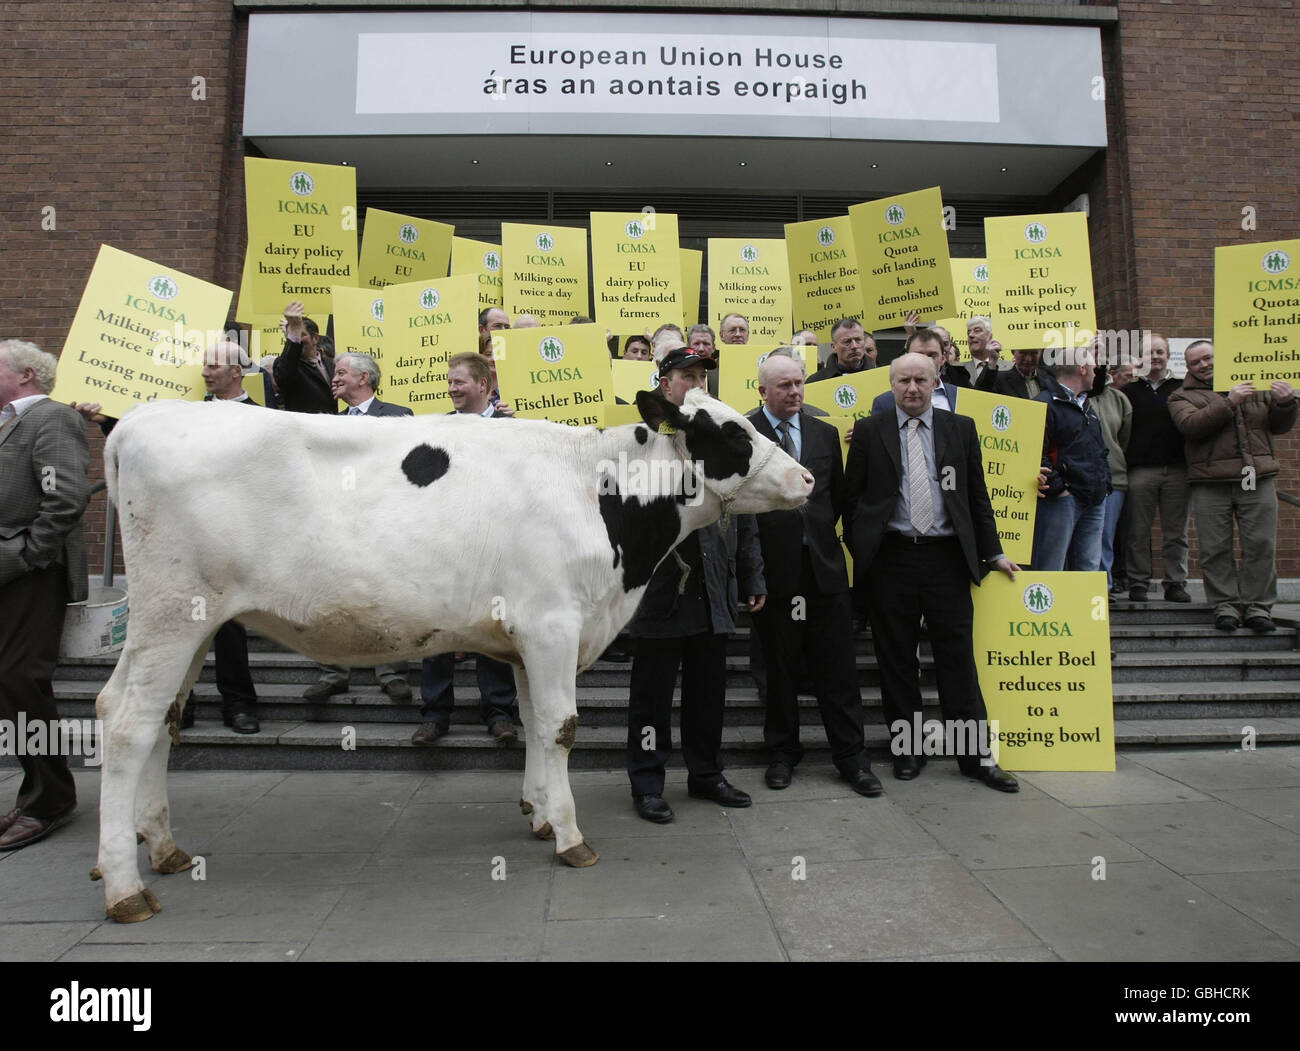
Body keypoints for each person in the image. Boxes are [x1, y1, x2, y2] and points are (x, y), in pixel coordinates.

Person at [843, 352, 1020, 792]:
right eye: (903, 381)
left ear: (936, 379)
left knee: (957, 660)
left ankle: (975, 757)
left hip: (946, 559)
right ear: (891, 385)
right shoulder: (869, 431)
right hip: (892, 560)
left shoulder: (960, 429)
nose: (912, 389)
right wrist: (862, 546)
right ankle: (908, 751)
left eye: (921, 380)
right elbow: (853, 498)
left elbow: (977, 497)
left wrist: (993, 551)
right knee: (897, 661)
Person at [626, 346, 766, 823]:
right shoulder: (642, 441)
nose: (696, 384)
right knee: (651, 699)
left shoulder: (721, 437)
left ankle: (707, 774)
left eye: (702, 376)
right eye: (686, 376)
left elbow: (743, 512)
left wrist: (751, 575)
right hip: (661, 596)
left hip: (713, 590)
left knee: (709, 696)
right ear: (665, 385)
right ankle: (647, 783)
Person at [747, 352, 880, 797]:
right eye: (783, 386)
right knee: (779, 668)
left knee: (838, 669)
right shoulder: (747, 434)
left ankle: (851, 758)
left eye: (799, 383)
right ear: (762, 390)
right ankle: (783, 753)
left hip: (824, 570)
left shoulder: (824, 433)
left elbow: (837, 499)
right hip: (774, 572)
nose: (795, 392)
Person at [0, 340, 89, 850]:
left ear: (27, 374)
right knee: (11, 686)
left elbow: (67, 495)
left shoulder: (51, 418)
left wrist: (30, 554)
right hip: (11, 573)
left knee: (22, 680)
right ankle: (37, 791)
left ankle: (50, 799)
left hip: (30, 573)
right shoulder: (8, 419)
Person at [412, 352, 519, 744]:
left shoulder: (512, 428)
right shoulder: (436, 429)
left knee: (492, 632)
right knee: (439, 631)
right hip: (445, 547)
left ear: (483, 386)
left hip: (494, 549)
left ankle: (499, 712)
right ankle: (435, 714)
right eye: (450, 381)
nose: (452, 388)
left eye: (459, 382)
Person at [303, 351, 414, 701]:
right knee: (333, 597)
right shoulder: (328, 421)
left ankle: (392, 671)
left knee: (387, 596)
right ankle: (332, 672)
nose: (334, 378)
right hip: (338, 524)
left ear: (363, 378)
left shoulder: (398, 416)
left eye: (340, 372)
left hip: (384, 521)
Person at [1169, 341, 1297, 633]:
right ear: (1188, 368)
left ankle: (1258, 607)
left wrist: (1286, 403)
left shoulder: (1256, 383)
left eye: (1208, 358)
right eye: (1196, 362)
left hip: (1257, 478)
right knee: (1215, 548)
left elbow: (1278, 426)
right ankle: (1225, 606)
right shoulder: (1180, 397)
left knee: (1261, 545)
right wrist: (1229, 401)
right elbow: (1191, 427)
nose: (1204, 365)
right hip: (1210, 482)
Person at [1120, 332, 1191, 603]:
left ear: (1168, 354)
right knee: (1138, 531)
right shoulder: (1127, 393)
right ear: (1140, 358)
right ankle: (1138, 582)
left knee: (1176, 532)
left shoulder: (1182, 388)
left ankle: (1175, 583)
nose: (1156, 357)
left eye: (1160, 352)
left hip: (1177, 470)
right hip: (1140, 471)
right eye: (1150, 352)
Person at [1032, 349, 1110, 572]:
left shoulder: (1085, 404)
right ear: (1082, 369)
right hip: (1062, 501)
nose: (1097, 373)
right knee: (1050, 567)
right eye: (1094, 368)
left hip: (1094, 498)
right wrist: (1060, 488)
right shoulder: (1044, 403)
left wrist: (1105, 485)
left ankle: (1081, 609)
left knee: (1088, 570)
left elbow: (1099, 449)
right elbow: (1035, 452)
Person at [1090, 354, 1134, 593]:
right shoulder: (1078, 396)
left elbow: (1124, 439)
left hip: (1113, 476)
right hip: (1083, 478)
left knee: (1106, 535)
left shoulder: (1120, 399)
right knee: (1087, 535)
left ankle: (1104, 586)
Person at [870, 329, 960, 413]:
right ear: (906, 356)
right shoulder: (884, 402)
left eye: (932, 355)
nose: (925, 361)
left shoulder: (959, 397)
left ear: (943, 359)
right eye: (918, 355)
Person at [273, 301, 336, 414]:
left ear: (315, 338)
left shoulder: (332, 363)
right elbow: (284, 378)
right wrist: (295, 330)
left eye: (302, 335)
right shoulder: (286, 365)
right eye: (292, 336)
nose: (298, 340)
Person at [809, 317, 875, 383]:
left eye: (858, 339)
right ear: (834, 347)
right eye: (847, 341)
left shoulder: (880, 375)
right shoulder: (816, 382)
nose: (854, 346)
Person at [994, 346, 1058, 400]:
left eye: (1034, 353)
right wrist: (991, 363)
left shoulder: (1049, 377)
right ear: (1013, 352)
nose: (1028, 359)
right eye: (1023, 353)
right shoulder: (1000, 379)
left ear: (1041, 352)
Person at [964, 316, 1004, 391]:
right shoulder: (957, 370)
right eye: (968, 332)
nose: (970, 335)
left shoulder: (1009, 367)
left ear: (990, 336)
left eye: (977, 330)